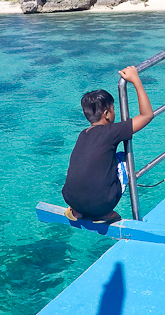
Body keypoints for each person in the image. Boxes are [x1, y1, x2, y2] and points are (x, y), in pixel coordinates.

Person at [62, 66, 153, 223]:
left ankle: (79, 211)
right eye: (113, 109)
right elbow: (147, 115)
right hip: (101, 205)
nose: (114, 112)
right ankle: (104, 214)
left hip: (71, 200)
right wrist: (136, 80)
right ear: (106, 114)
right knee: (123, 158)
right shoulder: (111, 131)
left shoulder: (83, 134)